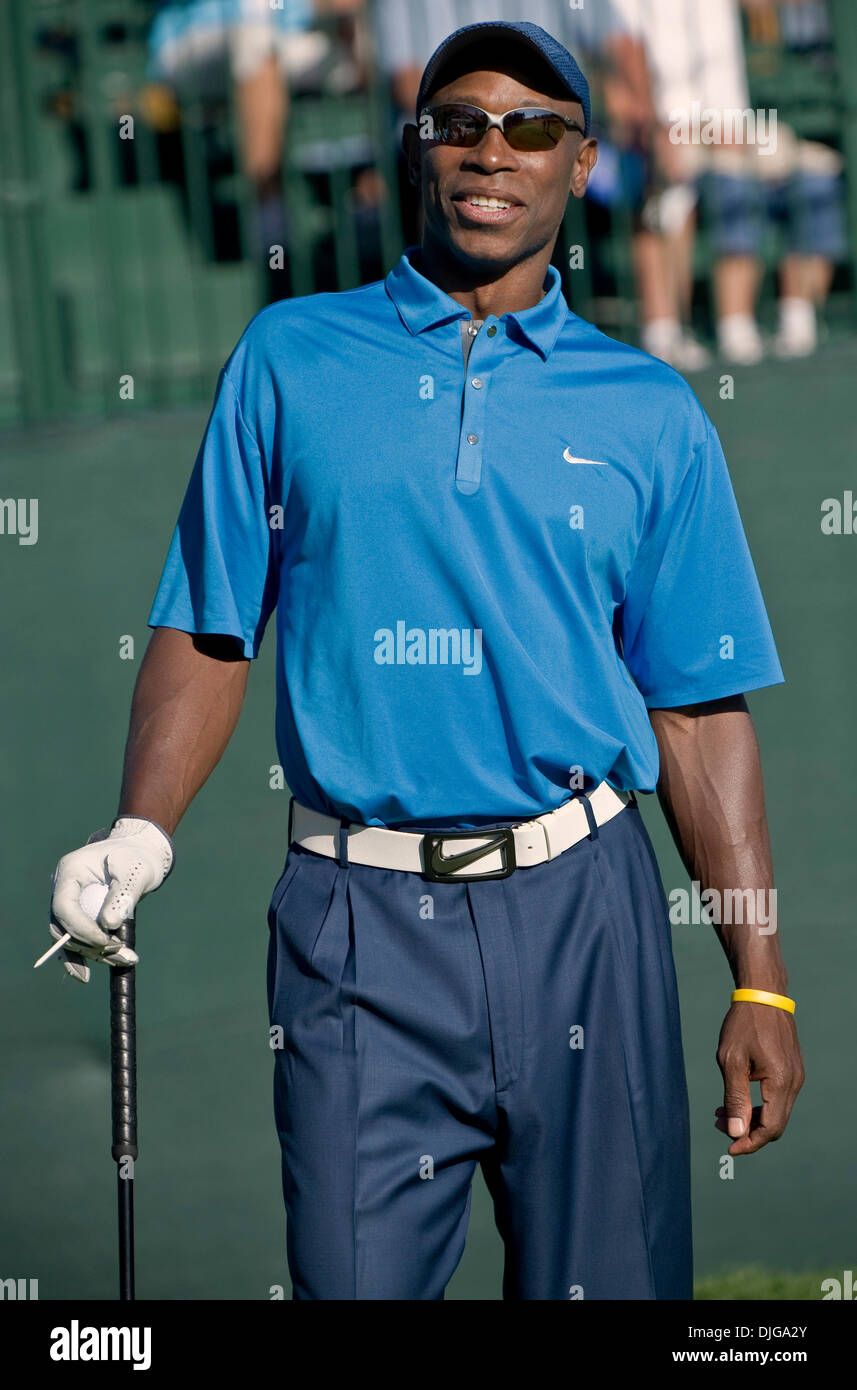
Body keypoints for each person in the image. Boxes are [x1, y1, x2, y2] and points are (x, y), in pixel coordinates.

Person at [46, 20, 804, 1300]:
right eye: (457, 123)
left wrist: (761, 985)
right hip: (353, 931)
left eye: (529, 127)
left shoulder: (651, 410)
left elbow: (694, 711)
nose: (488, 150)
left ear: (581, 163)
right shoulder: (289, 357)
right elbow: (209, 621)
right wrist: (140, 829)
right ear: (417, 149)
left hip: (586, 913)